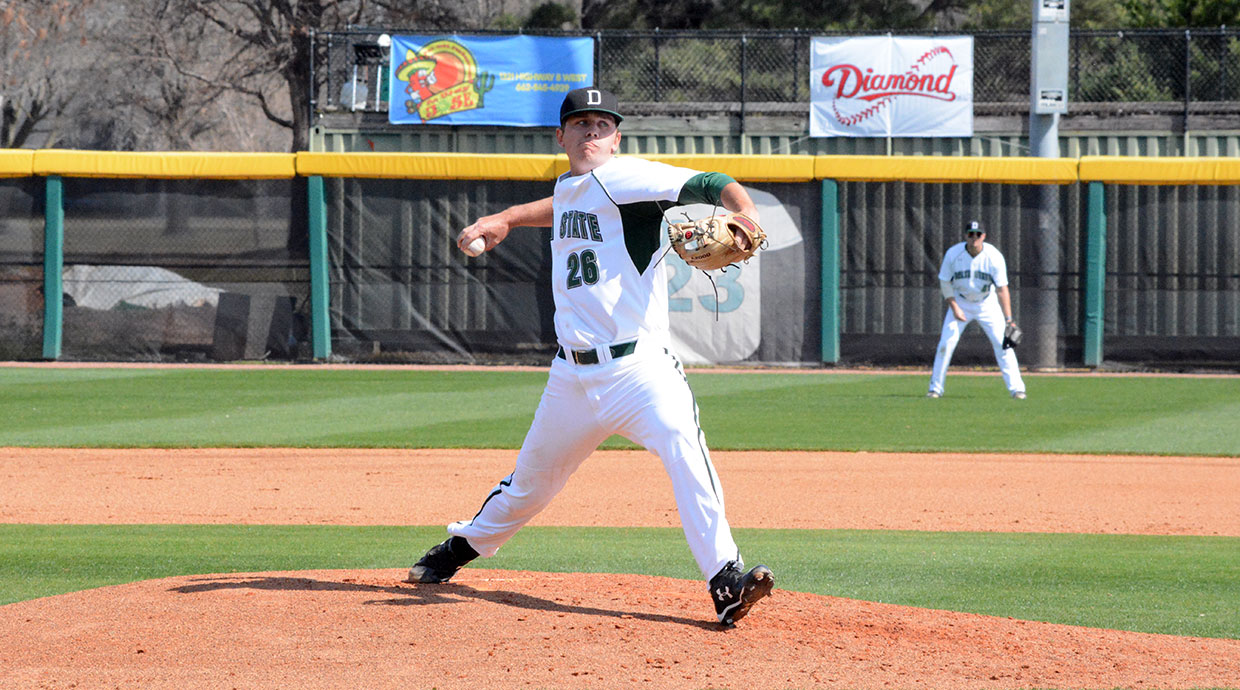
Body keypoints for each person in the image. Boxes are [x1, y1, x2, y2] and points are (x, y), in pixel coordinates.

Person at [405, 87, 774, 627]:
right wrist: (505, 218)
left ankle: (726, 580)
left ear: (616, 138)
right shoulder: (574, 187)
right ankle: (457, 551)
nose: (592, 133)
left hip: (640, 371)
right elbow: (562, 204)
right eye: (581, 124)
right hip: (572, 378)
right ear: (562, 136)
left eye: (603, 125)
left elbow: (710, 184)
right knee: (531, 485)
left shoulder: (626, 176)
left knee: (684, 452)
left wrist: (746, 211)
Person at [927, 220, 1027, 399]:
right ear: (965, 236)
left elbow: (1002, 289)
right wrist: (955, 307)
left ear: (984, 236)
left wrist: (1009, 319)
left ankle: (1017, 389)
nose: (974, 238)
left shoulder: (993, 256)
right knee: (945, 345)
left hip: (986, 303)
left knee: (1003, 344)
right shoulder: (953, 254)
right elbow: (945, 282)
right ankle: (935, 389)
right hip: (960, 301)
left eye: (978, 234)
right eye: (971, 234)